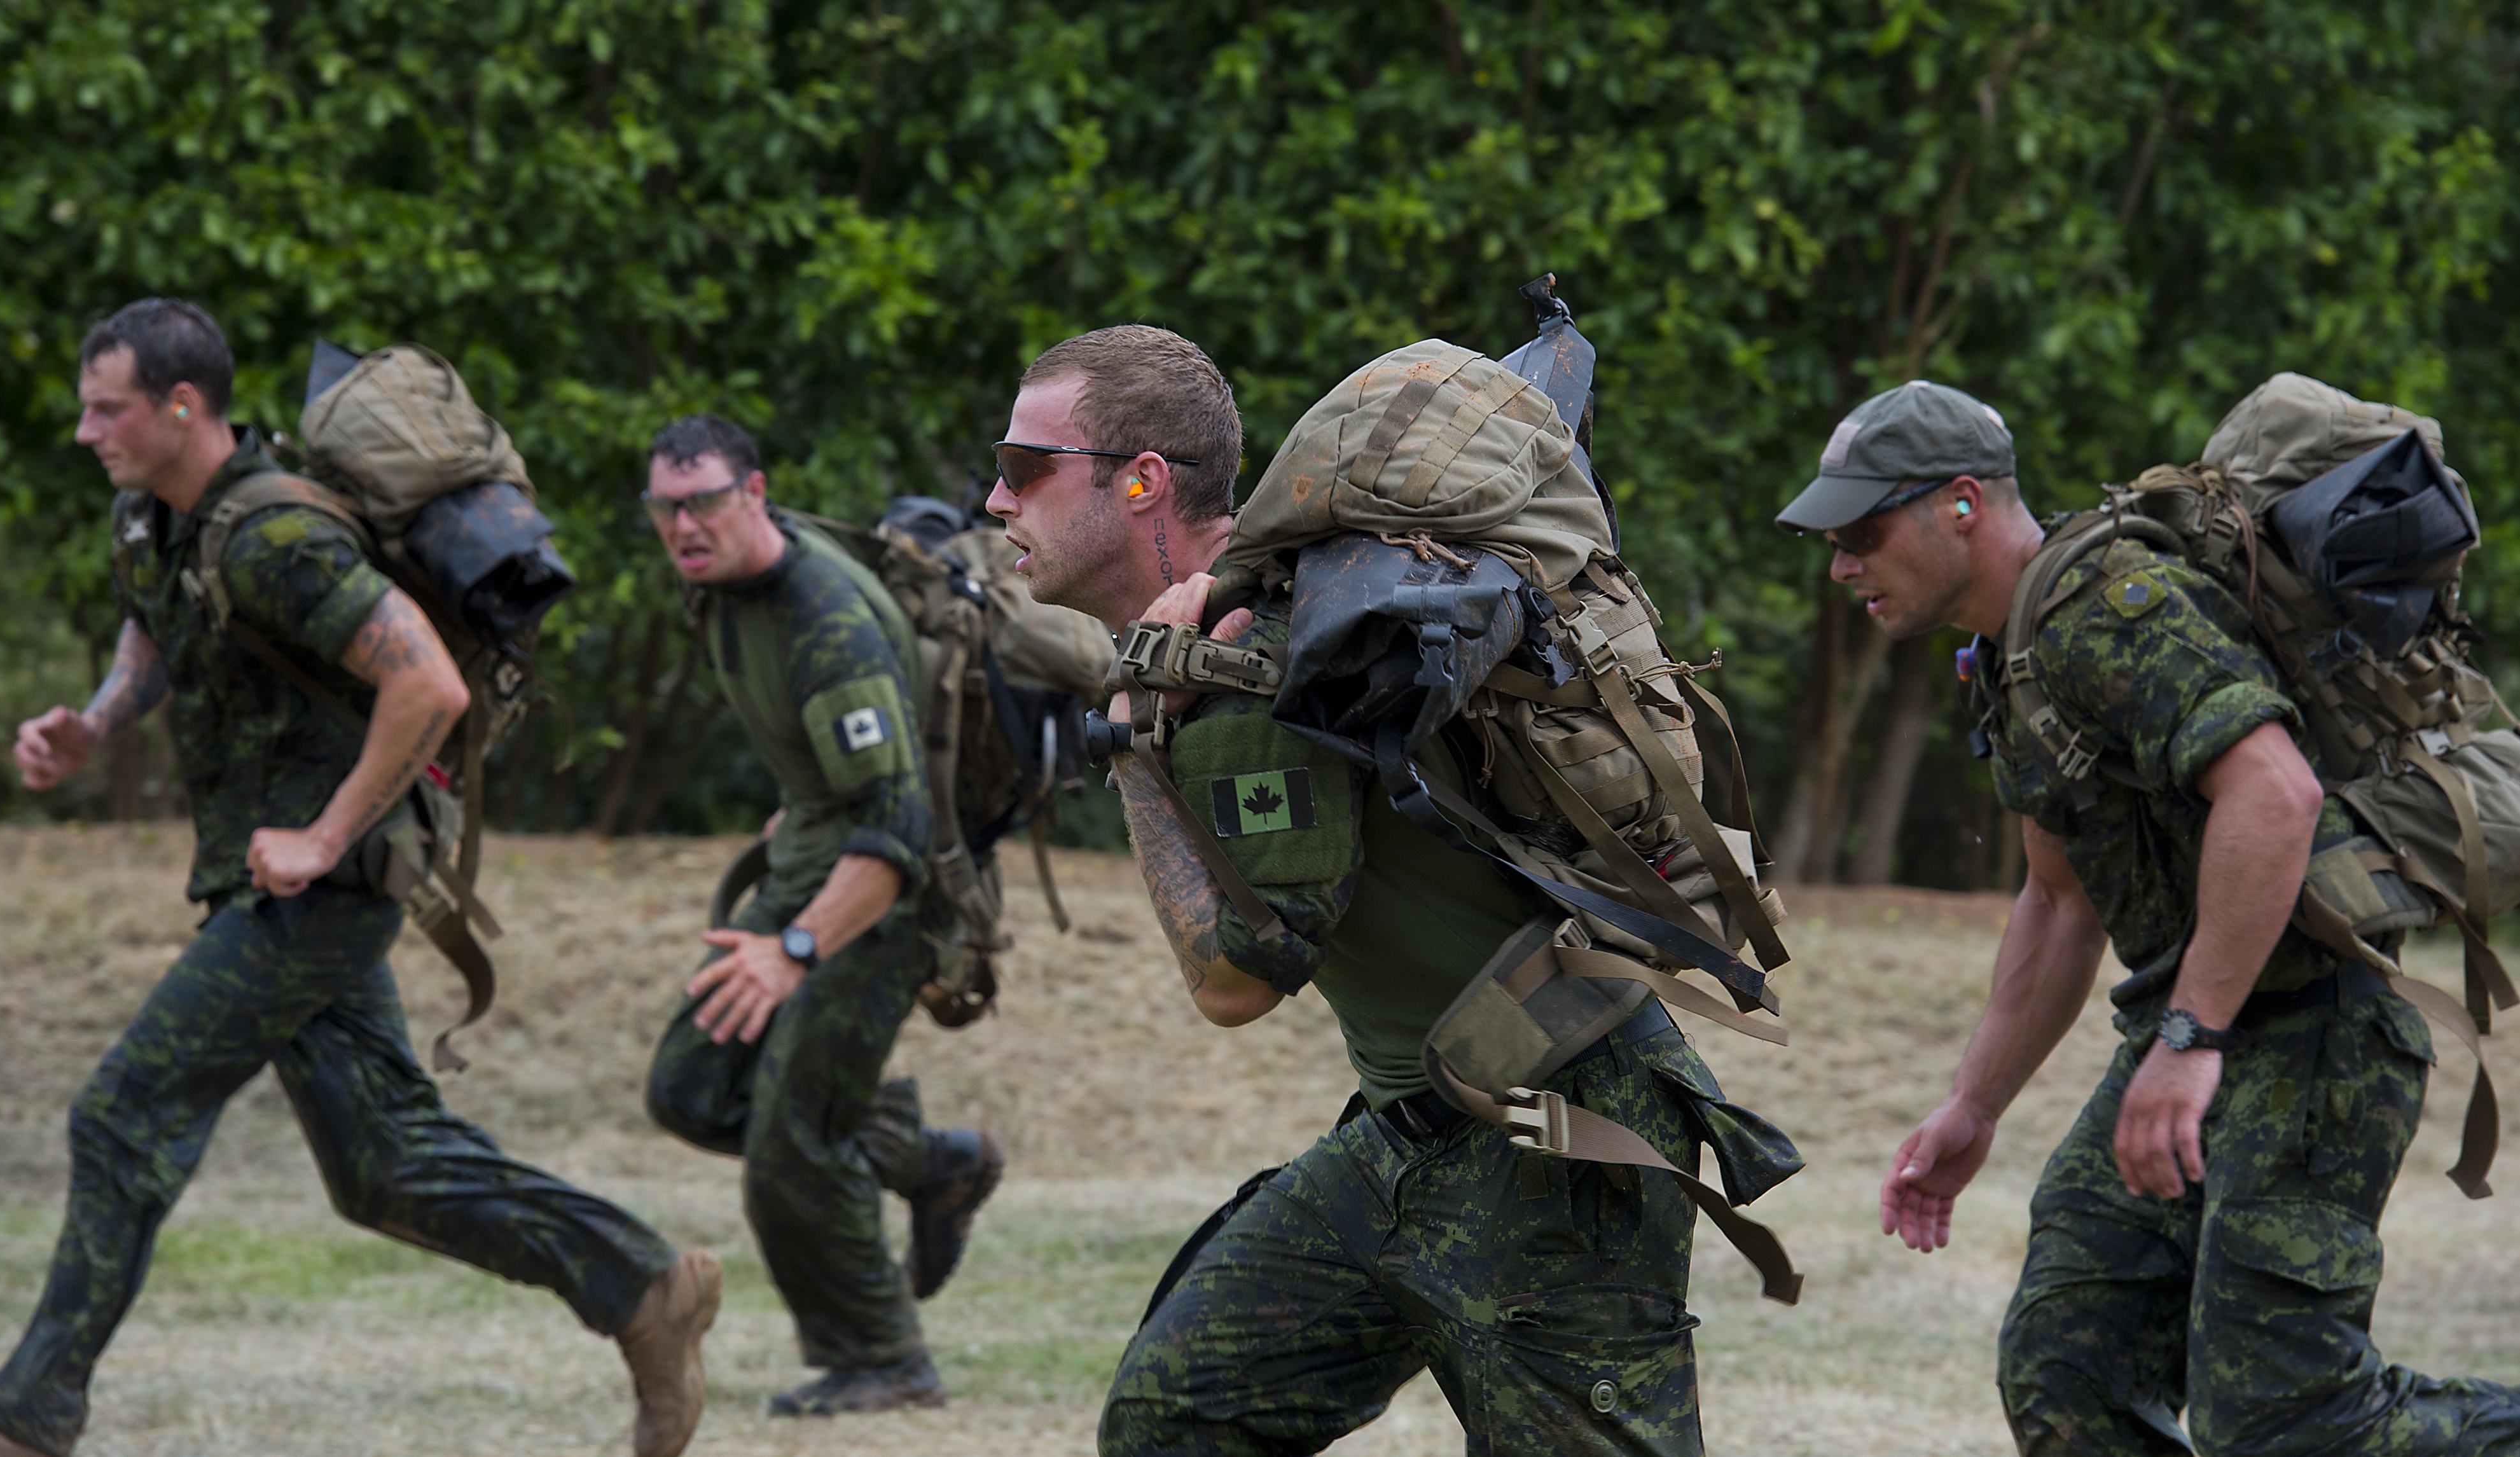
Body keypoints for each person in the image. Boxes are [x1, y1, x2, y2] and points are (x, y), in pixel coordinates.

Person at [988, 324, 1799, 1455]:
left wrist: (1127, 743)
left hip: (1555, 1141)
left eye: (1024, 467)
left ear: (1141, 483)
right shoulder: (1278, 629)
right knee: (1181, 1417)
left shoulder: (1245, 672)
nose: (994, 499)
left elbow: (1235, 982)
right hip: (1411, 1131)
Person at [0, 299, 717, 1457]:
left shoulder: (277, 538)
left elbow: (426, 685)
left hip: (325, 884)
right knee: (384, 1169)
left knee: (124, 1116)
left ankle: (27, 1419)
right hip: (263, 882)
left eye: (106, 408)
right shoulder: (155, 518)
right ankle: (645, 1288)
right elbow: (157, 625)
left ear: (183, 407)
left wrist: (326, 838)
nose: (87, 431)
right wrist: (93, 727)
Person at [1781, 379, 2520, 1455]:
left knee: (2288, 1420)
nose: (1841, 562)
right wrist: (1973, 1107)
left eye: (1861, 529)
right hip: (2189, 1043)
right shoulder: (2012, 655)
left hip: (2309, 1039)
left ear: (1959, 505)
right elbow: (2055, 896)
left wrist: (2188, 1038)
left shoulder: (2106, 609)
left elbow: (2274, 795)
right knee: (2067, 1373)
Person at [637, 413, 1002, 1417]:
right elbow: (832, 775)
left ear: (753, 494)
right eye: (665, 508)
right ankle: (930, 1160)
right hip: (814, 862)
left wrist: (791, 949)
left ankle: (884, 1358)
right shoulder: (718, 589)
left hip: (887, 897)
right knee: (690, 1085)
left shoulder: (824, 621)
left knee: (792, 1138)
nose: (683, 526)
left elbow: (894, 822)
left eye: (703, 501)